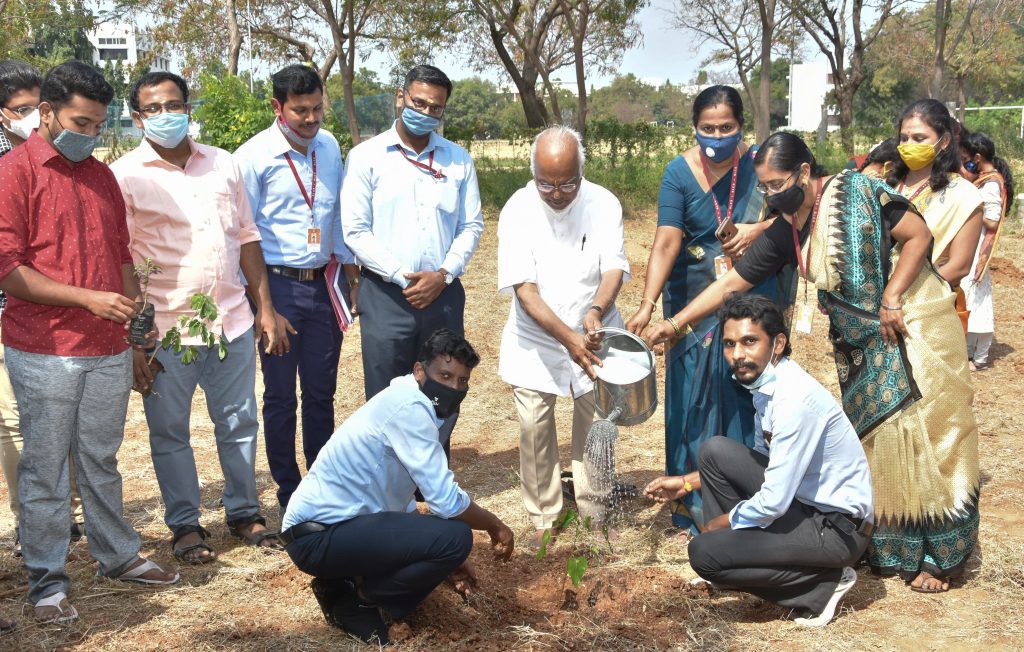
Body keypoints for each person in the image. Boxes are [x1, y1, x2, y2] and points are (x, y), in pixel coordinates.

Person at [644, 131, 980, 595]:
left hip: (909, 325)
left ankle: (941, 558)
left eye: (777, 184)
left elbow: (919, 234)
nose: (770, 195)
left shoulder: (856, 191)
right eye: (762, 188)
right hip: (859, 343)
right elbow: (732, 285)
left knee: (928, 438)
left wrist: (892, 296)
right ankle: (888, 550)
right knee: (882, 442)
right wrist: (676, 324)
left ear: (804, 172)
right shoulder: (789, 228)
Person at [0, 60, 179, 625]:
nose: (91, 135)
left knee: (101, 458)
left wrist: (133, 332)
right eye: (81, 122)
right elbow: (6, 270)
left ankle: (116, 555)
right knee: (47, 468)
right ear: (46, 113)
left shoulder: (100, 176)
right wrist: (86, 299)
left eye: (100, 125)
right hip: (44, 347)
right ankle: (48, 581)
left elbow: (120, 258)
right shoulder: (13, 174)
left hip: (105, 348)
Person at [111, 71, 286, 563]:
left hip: (230, 319)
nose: (166, 116)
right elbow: (123, 259)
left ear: (189, 107)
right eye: (153, 109)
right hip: (167, 328)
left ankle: (245, 513)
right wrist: (136, 338)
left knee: (239, 423)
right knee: (170, 432)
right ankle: (186, 525)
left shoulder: (224, 164)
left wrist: (265, 307)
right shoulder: (126, 175)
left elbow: (247, 238)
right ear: (137, 116)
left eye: (174, 105)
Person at [645, 294, 873, 627]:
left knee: (704, 553)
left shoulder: (793, 401)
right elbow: (762, 462)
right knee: (715, 452)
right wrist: (686, 483)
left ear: (778, 343)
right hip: (807, 509)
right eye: (728, 344)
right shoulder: (767, 388)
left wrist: (718, 525)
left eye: (749, 342)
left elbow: (773, 502)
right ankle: (732, 569)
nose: (737, 355)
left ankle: (819, 589)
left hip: (837, 531)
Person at [281, 329, 514, 645]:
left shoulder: (404, 399)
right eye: (444, 375)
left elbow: (396, 500)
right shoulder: (410, 409)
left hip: (327, 531)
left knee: (442, 538)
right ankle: (358, 602)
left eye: (461, 381)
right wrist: (494, 526)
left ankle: (342, 584)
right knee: (456, 536)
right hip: (318, 538)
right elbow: (446, 501)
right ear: (420, 370)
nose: (453, 387)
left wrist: (440, 553)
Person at [624, 85, 785, 534]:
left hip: (751, 295)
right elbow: (667, 240)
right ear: (694, 128)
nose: (717, 137)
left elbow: (798, 212)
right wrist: (647, 303)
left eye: (726, 128)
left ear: (741, 128)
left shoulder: (763, 166)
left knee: (743, 400)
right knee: (691, 401)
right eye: (707, 129)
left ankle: (744, 500)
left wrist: (757, 229)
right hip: (690, 304)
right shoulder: (678, 172)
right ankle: (690, 501)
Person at [497, 126, 630, 547]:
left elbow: (613, 267)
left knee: (596, 422)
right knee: (535, 424)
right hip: (536, 336)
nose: (556, 193)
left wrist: (595, 311)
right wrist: (567, 338)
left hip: (594, 331)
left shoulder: (603, 203)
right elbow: (524, 290)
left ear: (581, 171)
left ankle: (594, 509)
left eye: (567, 183)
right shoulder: (518, 208)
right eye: (546, 183)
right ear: (533, 171)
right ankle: (544, 515)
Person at [235, 64, 360, 513]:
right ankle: (289, 492)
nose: (311, 120)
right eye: (300, 111)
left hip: (323, 287)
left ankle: (322, 484)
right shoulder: (251, 157)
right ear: (277, 107)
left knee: (322, 393)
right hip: (279, 289)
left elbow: (338, 217)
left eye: (317, 109)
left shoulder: (327, 147)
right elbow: (244, 236)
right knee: (282, 396)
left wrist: (350, 273)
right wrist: (263, 307)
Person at [341, 64, 483, 454]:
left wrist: (443, 274)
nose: (426, 112)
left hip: (444, 295)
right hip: (387, 296)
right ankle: (387, 476)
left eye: (435, 108)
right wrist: (403, 277)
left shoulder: (458, 161)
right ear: (400, 97)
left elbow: (471, 226)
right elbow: (354, 230)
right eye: (418, 102)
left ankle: (430, 477)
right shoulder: (366, 157)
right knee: (387, 390)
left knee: (444, 385)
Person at [887, 100, 982, 306]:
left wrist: (901, 297)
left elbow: (959, 266)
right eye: (904, 138)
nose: (909, 146)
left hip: (927, 310)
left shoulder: (964, 196)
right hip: (875, 306)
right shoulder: (886, 186)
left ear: (945, 141)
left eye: (919, 139)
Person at [959, 131, 1015, 370]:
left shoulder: (990, 183)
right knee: (969, 300)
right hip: (972, 246)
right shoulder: (984, 179)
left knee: (977, 302)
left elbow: (992, 220)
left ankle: (980, 357)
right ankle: (970, 353)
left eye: (966, 158)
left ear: (978, 157)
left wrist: (972, 203)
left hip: (979, 249)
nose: (964, 163)